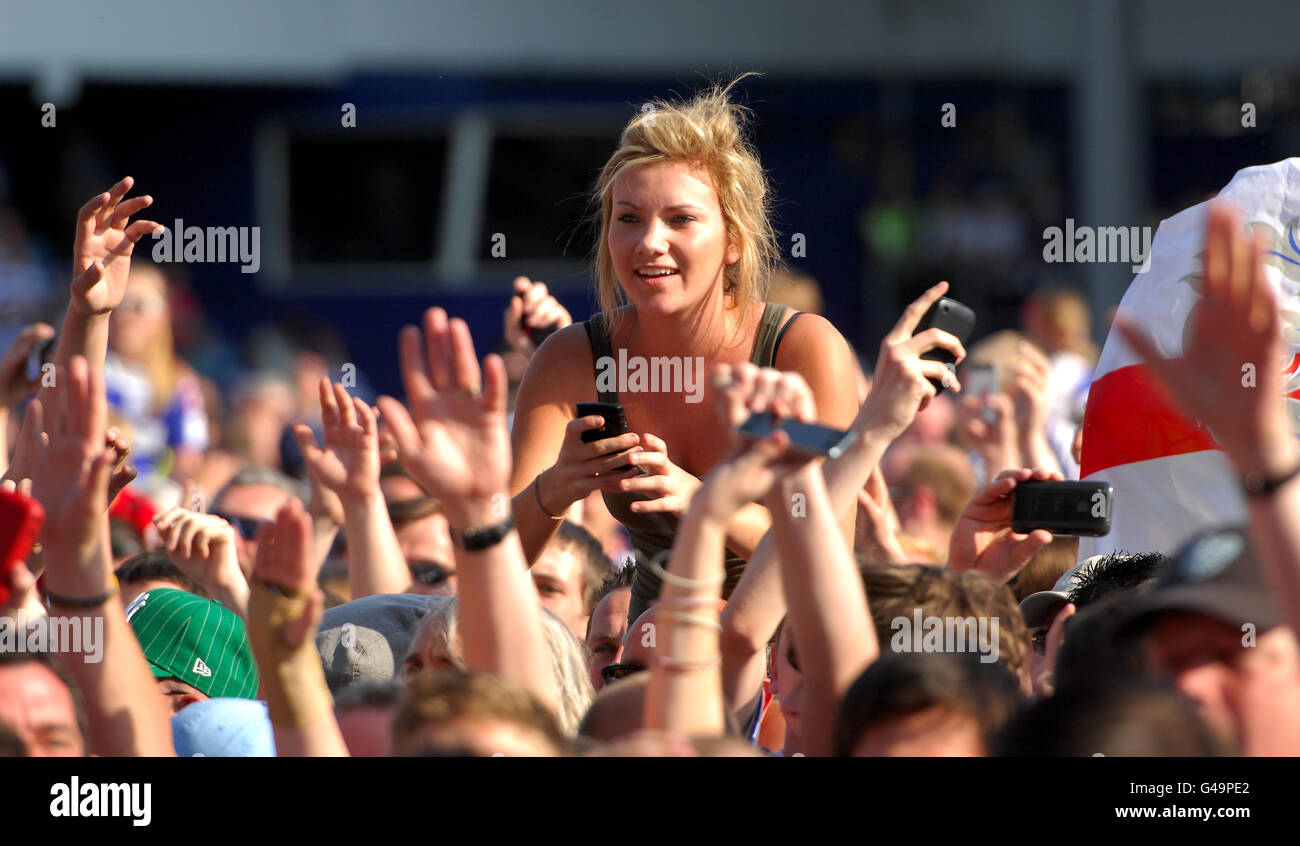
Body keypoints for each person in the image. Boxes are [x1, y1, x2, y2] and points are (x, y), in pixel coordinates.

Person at [507, 77, 864, 625]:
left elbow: (831, 554)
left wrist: (703, 501)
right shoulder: (571, 358)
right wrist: (555, 488)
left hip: (788, 659)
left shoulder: (803, 349)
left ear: (735, 239)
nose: (649, 241)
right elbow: (494, 567)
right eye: (628, 219)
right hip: (650, 657)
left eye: (681, 219)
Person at [105, 261, 209, 489]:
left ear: (163, 314)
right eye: (118, 304)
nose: (125, 316)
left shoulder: (180, 382)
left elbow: (189, 460)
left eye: (138, 306)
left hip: (153, 500)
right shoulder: (91, 372)